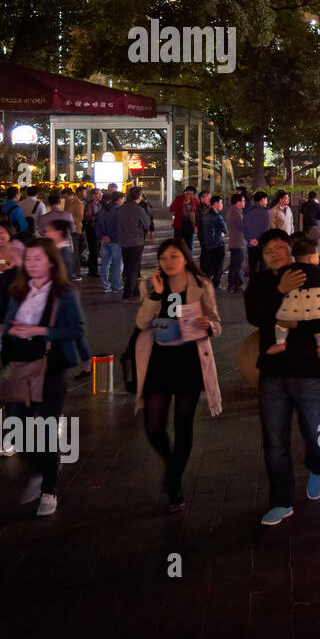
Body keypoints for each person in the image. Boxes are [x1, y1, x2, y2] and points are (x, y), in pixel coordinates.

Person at [245, 229, 320, 525]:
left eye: (279, 247)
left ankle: (318, 465)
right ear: (262, 257)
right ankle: (281, 501)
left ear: (290, 249)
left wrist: (296, 323)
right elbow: (254, 315)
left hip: (309, 370)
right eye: (268, 251)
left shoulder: (314, 274)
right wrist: (279, 290)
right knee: (275, 440)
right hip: (272, 374)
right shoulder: (261, 283)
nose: (275, 254)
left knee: (317, 432)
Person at [2, 238, 89, 516]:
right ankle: (44, 467)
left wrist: (41, 332)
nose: (32, 264)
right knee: (16, 425)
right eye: (29, 259)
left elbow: (76, 330)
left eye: (38, 258)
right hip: (21, 364)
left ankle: (49, 490)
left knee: (47, 428)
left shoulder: (64, 294)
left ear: (51, 261)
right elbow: (7, 324)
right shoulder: (19, 290)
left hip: (51, 366)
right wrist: (13, 331)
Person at [134, 238, 222, 512]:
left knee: (183, 424)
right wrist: (156, 296)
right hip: (159, 360)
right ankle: (173, 465)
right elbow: (141, 322)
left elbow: (216, 323)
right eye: (163, 258)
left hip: (190, 361)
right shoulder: (150, 285)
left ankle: (174, 483)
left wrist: (209, 325)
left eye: (174, 256)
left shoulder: (201, 284)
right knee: (153, 426)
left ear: (185, 258)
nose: (168, 262)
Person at [267, 235, 320, 359]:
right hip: (316, 307)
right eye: (316, 254)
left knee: (281, 323)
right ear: (311, 258)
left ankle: (280, 342)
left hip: (293, 306)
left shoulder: (287, 271)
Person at [0, 222, 24, 355]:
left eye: (1, 232)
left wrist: (1, 263)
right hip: (1, 298)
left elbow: (18, 264)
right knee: (4, 333)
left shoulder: (19, 248)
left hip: (20, 296)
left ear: (9, 232)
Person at [117, 187, 151, 300]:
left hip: (124, 241)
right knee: (134, 268)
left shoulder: (121, 208)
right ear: (139, 197)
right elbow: (147, 223)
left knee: (128, 266)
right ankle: (127, 293)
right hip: (136, 241)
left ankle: (135, 290)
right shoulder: (139, 210)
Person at [198, 194, 228, 288]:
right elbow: (225, 229)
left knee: (209, 265)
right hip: (217, 244)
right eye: (221, 203)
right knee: (218, 265)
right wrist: (222, 233)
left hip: (207, 244)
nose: (222, 205)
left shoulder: (205, 215)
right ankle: (216, 283)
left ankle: (206, 282)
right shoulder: (217, 216)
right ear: (215, 204)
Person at [225, 191, 247, 293]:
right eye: (243, 201)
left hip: (234, 242)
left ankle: (232, 285)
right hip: (239, 242)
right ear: (237, 202)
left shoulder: (232, 211)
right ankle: (238, 285)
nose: (244, 203)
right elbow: (243, 228)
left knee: (234, 264)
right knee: (239, 265)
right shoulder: (237, 214)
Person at [82, 188, 102, 278]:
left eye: (100, 193)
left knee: (96, 250)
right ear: (93, 195)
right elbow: (87, 217)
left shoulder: (100, 204)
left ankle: (93, 270)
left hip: (98, 229)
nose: (100, 195)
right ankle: (92, 271)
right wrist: (97, 217)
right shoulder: (90, 205)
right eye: (98, 194)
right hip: (92, 229)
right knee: (93, 250)